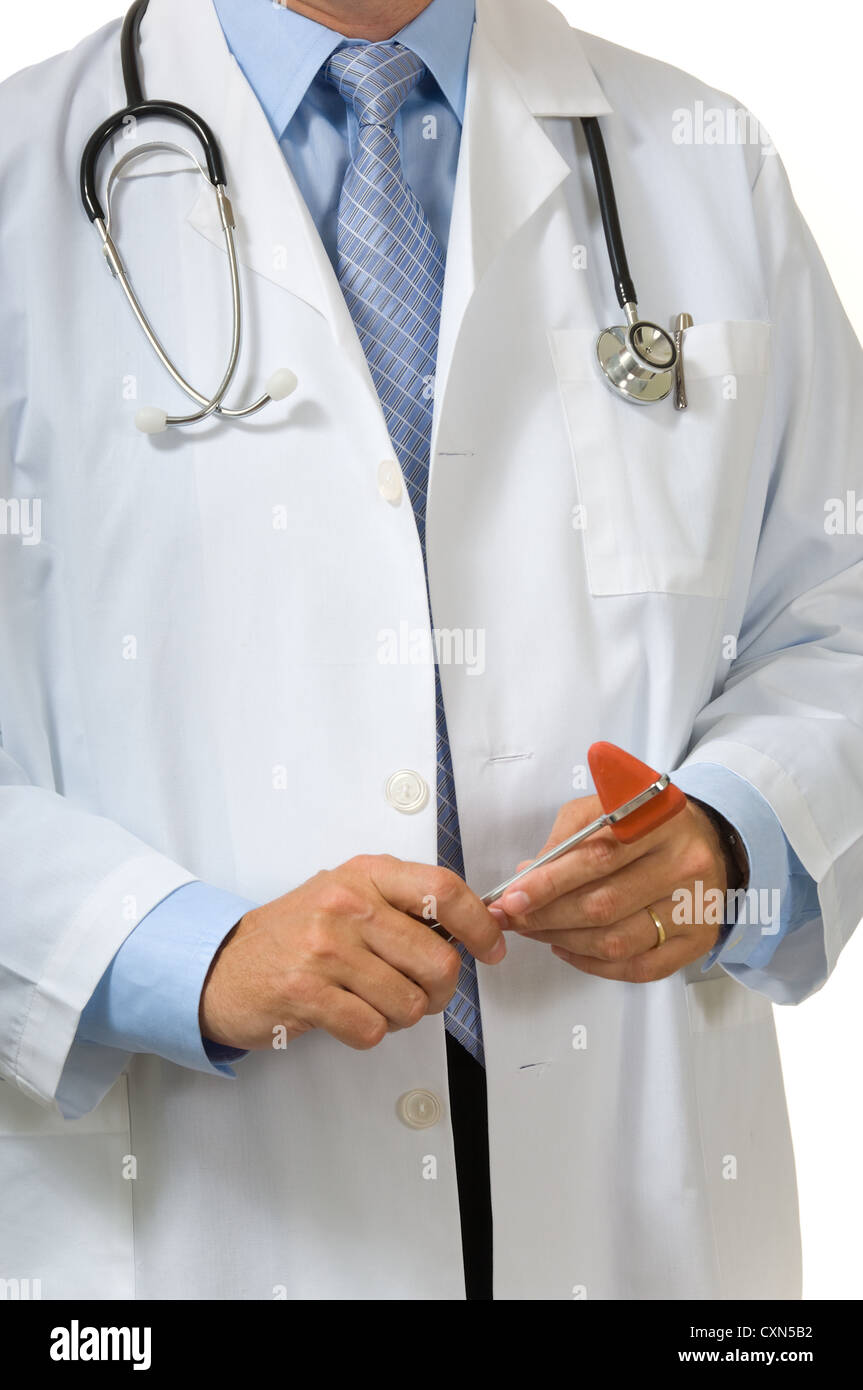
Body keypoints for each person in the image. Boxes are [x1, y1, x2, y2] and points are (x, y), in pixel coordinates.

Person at [0, 0, 860, 1302]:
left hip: (635, 1197)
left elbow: (839, 612)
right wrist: (184, 953)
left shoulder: (700, 162)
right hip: (195, 1212)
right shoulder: (18, 182)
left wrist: (732, 834)